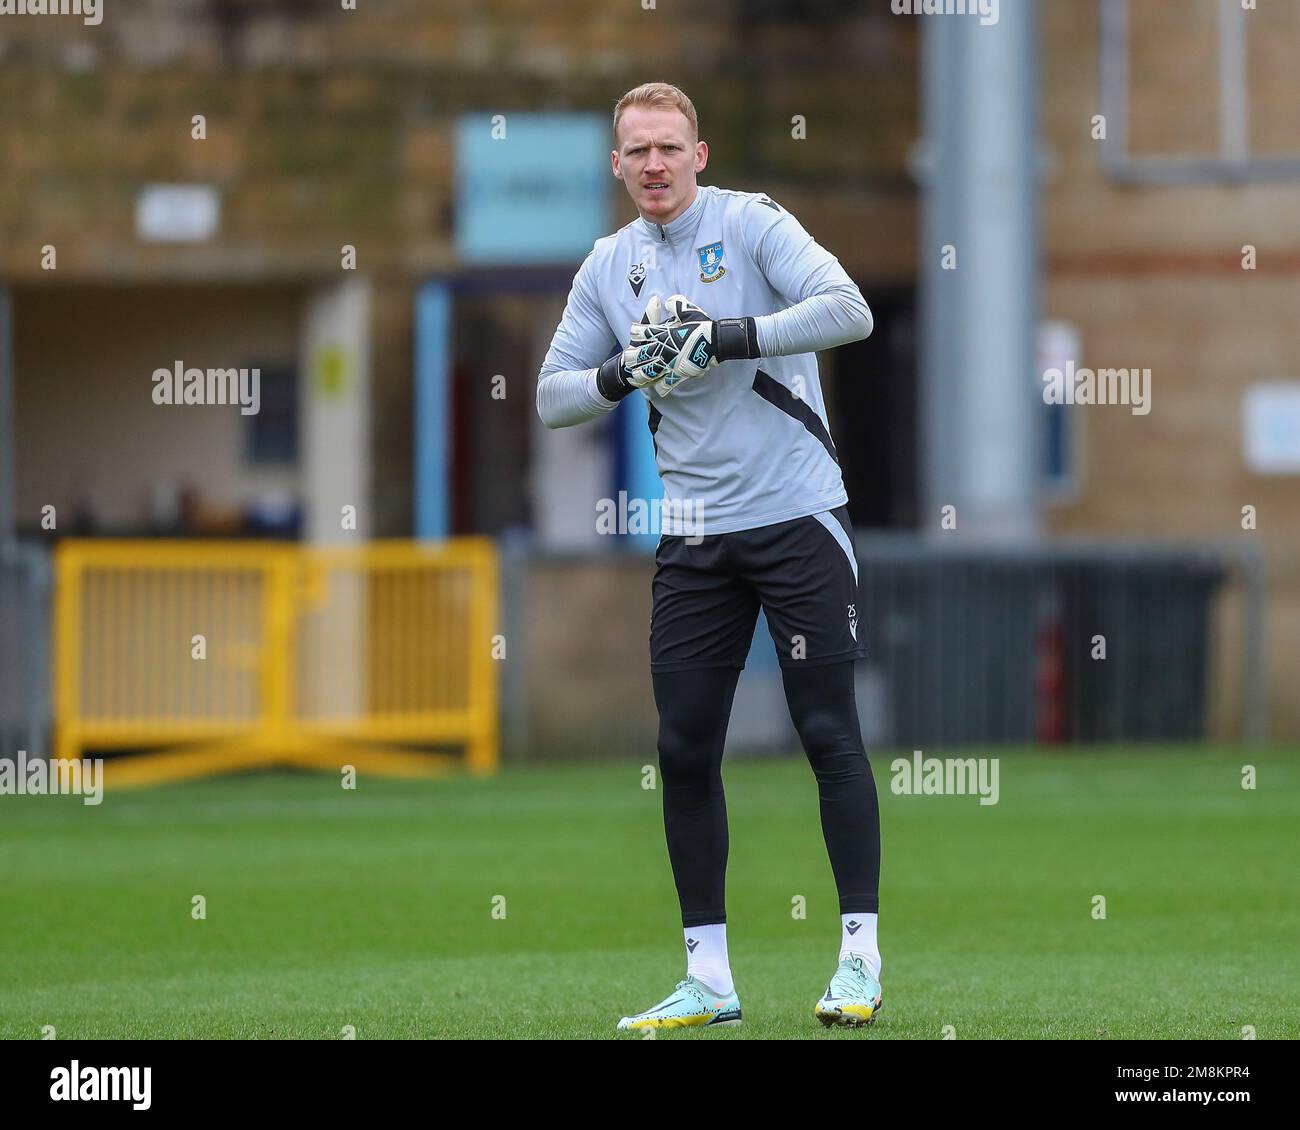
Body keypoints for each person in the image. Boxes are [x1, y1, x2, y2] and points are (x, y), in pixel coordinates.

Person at [536, 82, 882, 1031]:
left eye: (669, 148)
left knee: (827, 732)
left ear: (699, 153)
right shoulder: (610, 265)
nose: (653, 164)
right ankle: (709, 980)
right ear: (617, 165)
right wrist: (624, 370)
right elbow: (553, 394)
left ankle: (859, 960)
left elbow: (846, 308)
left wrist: (728, 338)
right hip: (694, 535)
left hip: (797, 517)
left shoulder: (754, 223)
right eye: (637, 151)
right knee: (684, 748)